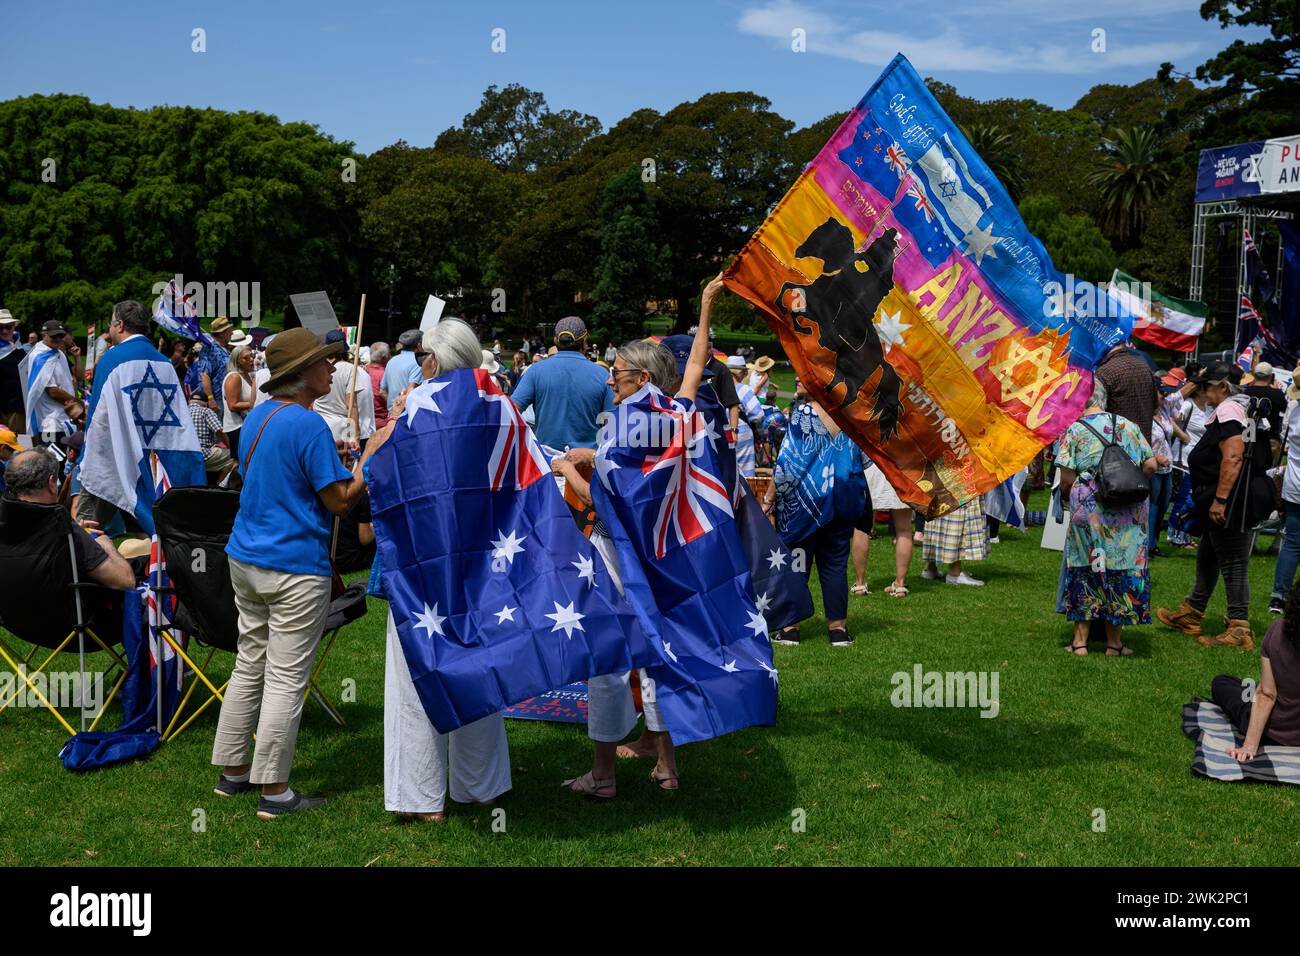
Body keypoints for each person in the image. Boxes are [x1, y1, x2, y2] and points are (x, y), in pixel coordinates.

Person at [551, 281, 731, 797]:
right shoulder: (675, 413)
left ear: (641, 377)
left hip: (616, 552)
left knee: (608, 657)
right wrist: (704, 307)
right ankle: (668, 768)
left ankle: (603, 775)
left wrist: (567, 465)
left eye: (617, 375)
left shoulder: (626, 427)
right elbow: (695, 366)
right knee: (658, 651)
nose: (610, 382)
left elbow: (599, 501)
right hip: (663, 556)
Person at [211, 328, 390, 819]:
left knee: (250, 663)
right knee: (287, 677)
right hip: (291, 565)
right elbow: (339, 502)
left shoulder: (261, 417)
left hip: (246, 557)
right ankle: (275, 791)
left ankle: (232, 773)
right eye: (325, 362)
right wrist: (370, 457)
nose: (332, 368)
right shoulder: (308, 426)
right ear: (299, 373)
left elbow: (283, 480)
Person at [383, 319, 512, 820]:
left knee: (416, 675)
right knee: (479, 668)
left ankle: (421, 797)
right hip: (484, 558)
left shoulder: (416, 407)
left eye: (421, 358)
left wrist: (392, 422)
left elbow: (386, 478)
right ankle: (480, 786)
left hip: (422, 561)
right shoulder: (500, 406)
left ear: (433, 361)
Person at [1156, 363, 1258, 649]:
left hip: (1228, 500)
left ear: (1223, 387)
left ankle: (1239, 627)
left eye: (1206, 387)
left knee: (1234, 562)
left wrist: (1221, 499)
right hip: (1229, 497)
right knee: (1209, 556)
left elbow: (1233, 456)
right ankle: (1192, 611)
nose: (1202, 392)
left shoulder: (1229, 411)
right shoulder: (1240, 408)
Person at [1055, 382, 1158, 656]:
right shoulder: (1128, 425)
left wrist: (1070, 496)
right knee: (1121, 569)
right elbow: (1151, 465)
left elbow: (1066, 479)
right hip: (1128, 512)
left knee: (1086, 568)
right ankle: (1114, 644)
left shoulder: (1074, 430)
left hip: (1088, 512)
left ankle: (1080, 643)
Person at [766, 367, 866, 646]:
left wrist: (770, 497)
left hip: (804, 504)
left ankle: (790, 629)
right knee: (834, 566)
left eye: (804, 376)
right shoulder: (849, 414)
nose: (798, 379)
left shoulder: (802, 415)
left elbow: (787, 463)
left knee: (796, 565)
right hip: (842, 499)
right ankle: (838, 631)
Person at [3, 448, 136, 590]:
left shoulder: (6, 521)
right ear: (51, 483)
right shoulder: (65, 530)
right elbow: (126, 581)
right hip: (65, 611)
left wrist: (79, 531)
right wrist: (106, 544)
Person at [1210, 581, 1300, 761]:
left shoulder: (1277, 631)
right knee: (1244, 686)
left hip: (1273, 731)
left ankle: (1248, 693)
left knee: (1222, 682)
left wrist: (1249, 746)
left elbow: (1267, 695)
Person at [510, 316, 614, 452]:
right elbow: (612, 424)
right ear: (584, 342)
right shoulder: (602, 374)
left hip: (547, 462)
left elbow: (511, 411)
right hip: (586, 463)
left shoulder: (536, 371)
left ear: (555, 341)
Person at [853, 455, 914, 597]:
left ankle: (860, 584)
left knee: (861, 528)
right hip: (902, 467)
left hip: (870, 465)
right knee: (904, 529)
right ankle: (900, 585)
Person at [1268, 365, 1300, 615]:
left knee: (1291, 542)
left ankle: (1278, 596)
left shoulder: (1296, 412)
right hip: (1294, 485)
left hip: (1294, 486)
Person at [313, 330, 375, 447]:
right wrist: (355, 436)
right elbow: (351, 405)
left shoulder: (318, 367)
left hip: (319, 426)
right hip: (340, 430)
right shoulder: (350, 369)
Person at [22, 320, 79, 445]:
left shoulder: (59, 354)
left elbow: (71, 381)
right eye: (54, 336)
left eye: (61, 336)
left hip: (65, 419)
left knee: (66, 460)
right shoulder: (39, 356)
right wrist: (77, 403)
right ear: (44, 335)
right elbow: (52, 391)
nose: (58, 339)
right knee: (52, 461)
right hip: (50, 423)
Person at [1094, 341, 1157, 441]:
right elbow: (1155, 408)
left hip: (1118, 448)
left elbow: (1096, 414)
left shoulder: (1104, 371)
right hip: (1144, 446)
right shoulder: (1145, 368)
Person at [726, 354, 766, 478]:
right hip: (740, 433)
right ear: (741, 372)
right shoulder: (743, 389)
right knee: (744, 473)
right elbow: (758, 415)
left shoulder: (718, 389)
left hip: (722, 432)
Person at [188, 390, 236, 482]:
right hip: (202, 455)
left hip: (183, 455)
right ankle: (220, 487)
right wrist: (232, 448)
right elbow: (219, 431)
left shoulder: (182, 413)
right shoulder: (206, 411)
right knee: (234, 457)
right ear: (206, 404)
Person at [221, 339, 256, 459]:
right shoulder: (234, 377)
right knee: (239, 463)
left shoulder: (248, 375)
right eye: (246, 358)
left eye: (252, 356)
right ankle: (228, 478)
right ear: (238, 362)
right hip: (237, 427)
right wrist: (255, 403)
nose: (251, 360)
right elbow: (233, 405)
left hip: (246, 424)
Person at [196, 317, 235, 416]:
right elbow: (204, 375)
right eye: (230, 331)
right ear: (222, 333)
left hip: (223, 398)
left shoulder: (222, 349)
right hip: (216, 400)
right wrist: (210, 398)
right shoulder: (210, 349)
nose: (232, 333)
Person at [381, 329, 424, 407]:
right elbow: (412, 389)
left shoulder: (391, 361)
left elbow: (382, 391)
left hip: (393, 413)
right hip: (407, 413)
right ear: (419, 345)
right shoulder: (418, 362)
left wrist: (394, 406)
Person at [366, 341, 390, 428]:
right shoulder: (385, 374)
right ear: (384, 358)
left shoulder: (362, 371)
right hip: (382, 422)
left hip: (364, 422)